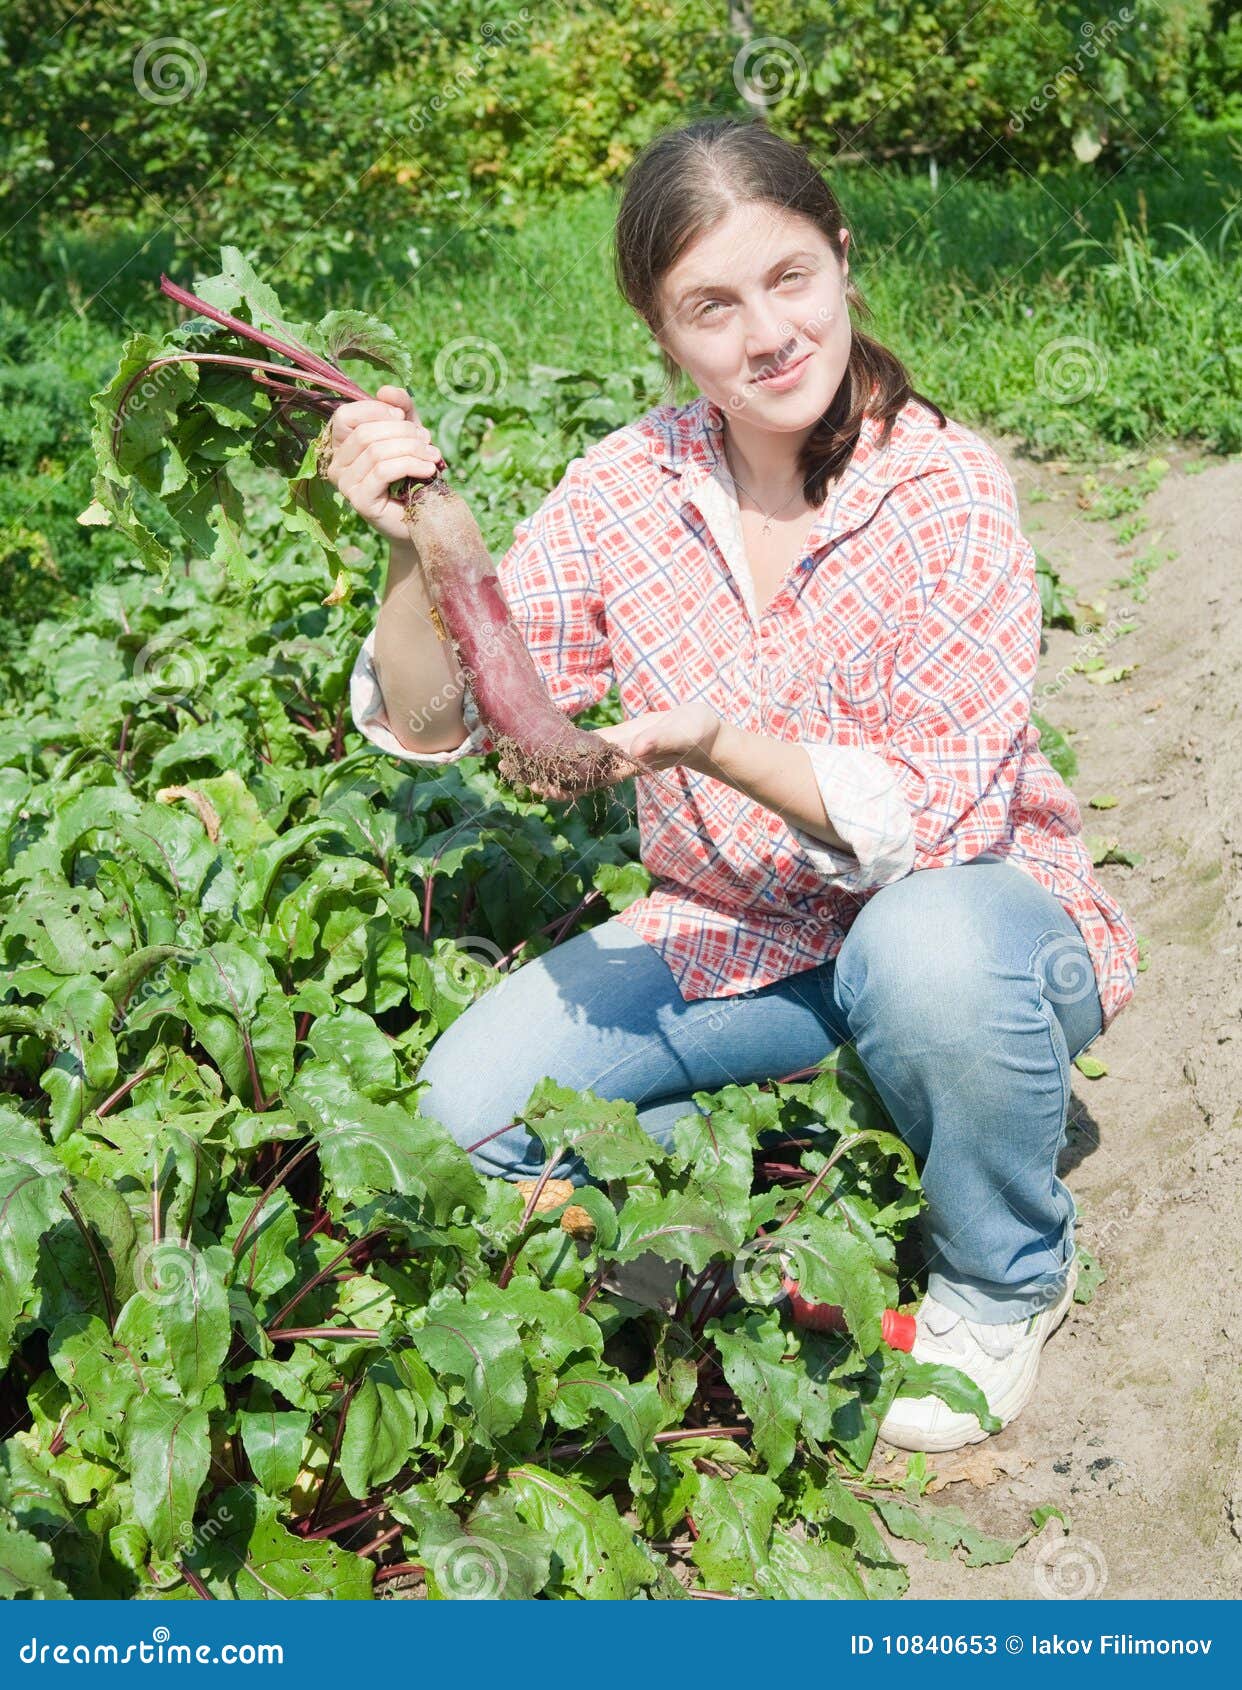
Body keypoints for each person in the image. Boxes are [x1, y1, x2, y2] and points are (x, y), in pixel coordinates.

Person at [324, 118, 1139, 1454]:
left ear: (841, 263)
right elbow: (440, 719)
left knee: (923, 958)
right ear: (660, 333)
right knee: (462, 1119)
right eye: (711, 305)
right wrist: (419, 540)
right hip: (734, 931)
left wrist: (712, 741)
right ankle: (741, 1267)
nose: (765, 333)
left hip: (972, 926)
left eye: (789, 278)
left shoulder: (942, 492)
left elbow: (926, 823)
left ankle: (1001, 1271)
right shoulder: (625, 490)